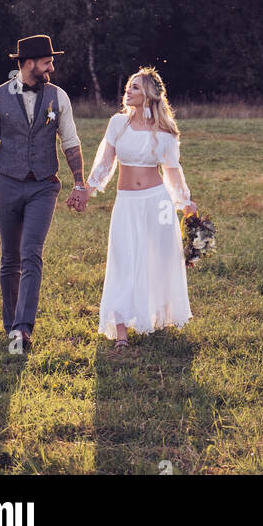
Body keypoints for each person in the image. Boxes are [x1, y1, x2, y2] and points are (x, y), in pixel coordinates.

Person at [0, 34, 86, 352]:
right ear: (28, 64)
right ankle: (10, 327)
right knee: (10, 259)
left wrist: (79, 183)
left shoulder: (58, 97)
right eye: (47, 61)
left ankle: (23, 330)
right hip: (7, 184)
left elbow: (70, 142)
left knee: (31, 253)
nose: (51, 66)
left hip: (43, 185)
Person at [81, 67, 197, 351]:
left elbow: (172, 170)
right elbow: (105, 162)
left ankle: (159, 318)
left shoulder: (165, 132)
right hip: (127, 203)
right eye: (128, 87)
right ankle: (120, 329)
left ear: (148, 94)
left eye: (135, 87)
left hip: (157, 202)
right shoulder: (118, 124)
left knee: (159, 258)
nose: (128, 91)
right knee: (123, 260)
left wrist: (184, 203)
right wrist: (88, 189)